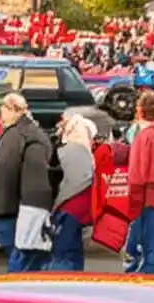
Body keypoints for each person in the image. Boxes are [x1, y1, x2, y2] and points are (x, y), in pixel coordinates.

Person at [0, 92, 55, 272]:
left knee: (21, 257)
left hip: (13, 209)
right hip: (22, 207)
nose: (0, 110)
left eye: (3, 107)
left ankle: (15, 295)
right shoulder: (31, 134)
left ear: (13, 110)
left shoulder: (17, 136)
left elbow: (5, 173)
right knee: (29, 257)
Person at [124, 93, 154, 274]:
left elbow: (140, 167)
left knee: (141, 230)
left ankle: (139, 264)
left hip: (143, 191)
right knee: (153, 229)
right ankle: (149, 263)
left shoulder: (145, 136)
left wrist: (133, 187)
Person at [49, 112, 96, 271]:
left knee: (62, 252)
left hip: (69, 209)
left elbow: (71, 183)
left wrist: (55, 207)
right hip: (81, 209)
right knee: (75, 250)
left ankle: (61, 285)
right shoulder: (86, 152)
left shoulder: (71, 150)